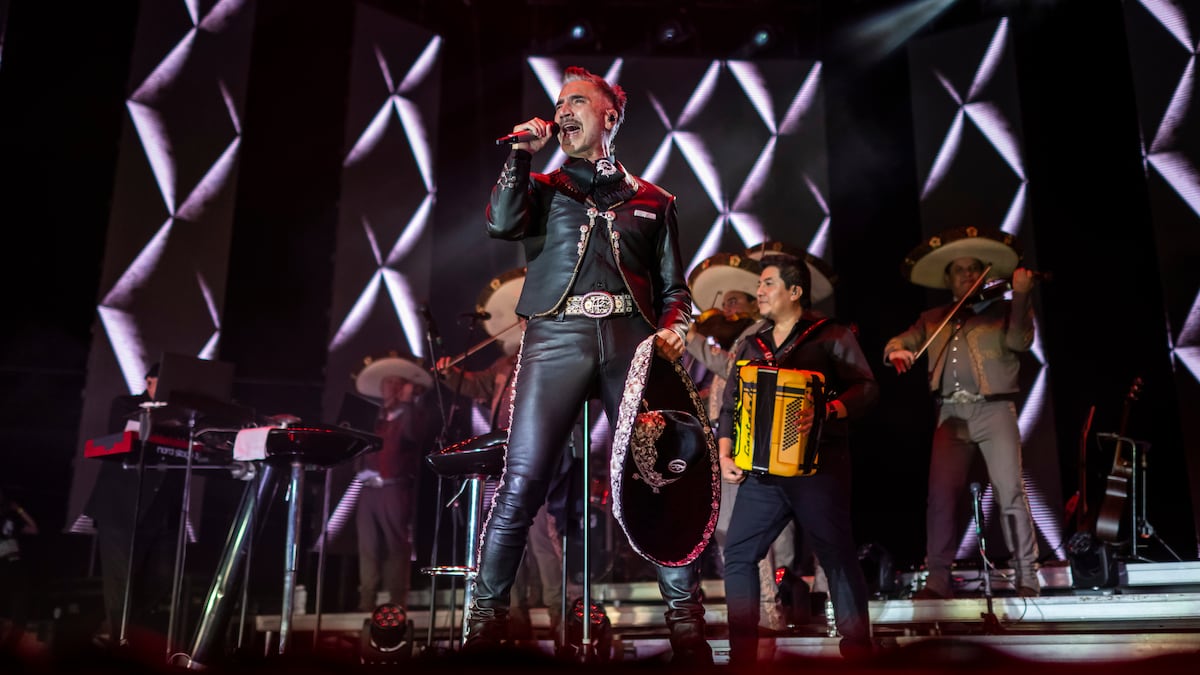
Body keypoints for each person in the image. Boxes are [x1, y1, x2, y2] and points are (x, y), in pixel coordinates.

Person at [466, 65, 716, 663]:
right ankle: (485, 622)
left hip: (631, 342)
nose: (562, 110)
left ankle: (687, 626)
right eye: (559, 103)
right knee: (521, 481)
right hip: (555, 337)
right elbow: (501, 223)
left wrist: (673, 328)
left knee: (657, 476)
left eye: (576, 101)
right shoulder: (543, 186)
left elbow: (675, 289)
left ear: (609, 115)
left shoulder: (655, 200)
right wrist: (520, 155)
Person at [718, 255, 878, 662]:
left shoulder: (830, 335)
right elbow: (731, 404)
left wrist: (828, 409)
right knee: (738, 554)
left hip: (818, 470)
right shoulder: (752, 344)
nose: (759, 291)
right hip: (763, 475)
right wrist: (724, 449)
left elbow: (866, 388)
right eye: (759, 284)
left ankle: (858, 653)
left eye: (768, 283)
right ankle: (742, 657)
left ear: (795, 291)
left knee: (837, 555)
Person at [883, 226, 1040, 599]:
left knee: (1010, 492)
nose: (968, 275)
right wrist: (896, 351)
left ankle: (1027, 576)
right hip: (951, 413)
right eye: (959, 270)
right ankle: (937, 579)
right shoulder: (932, 317)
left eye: (974, 269)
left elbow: (1020, 341)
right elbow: (900, 341)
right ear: (948, 279)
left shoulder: (1003, 309)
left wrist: (1021, 296)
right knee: (940, 497)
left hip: (994, 410)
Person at [435, 340, 577, 640]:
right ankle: (515, 623)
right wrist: (451, 373)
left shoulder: (551, 353)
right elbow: (477, 384)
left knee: (542, 537)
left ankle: (561, 618)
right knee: (509, 537)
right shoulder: (505, 364)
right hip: (507, 458)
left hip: (539, 455)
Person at [84, 363, 182, 646]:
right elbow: (120, 435)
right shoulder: (127, 405)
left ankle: (117, 628)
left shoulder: (182, 417)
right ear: (149, 381)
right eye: (163, 382)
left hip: (160, 511)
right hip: (120, 508)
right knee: (120, 581)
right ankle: (119, 641)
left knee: (162, 578)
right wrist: (157, 417)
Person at [351, 354, 434, 612]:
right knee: (367, 545)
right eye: (388, 383)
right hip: (369, 488)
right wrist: (360, 469)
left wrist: (408, 403)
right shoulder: (374, 416)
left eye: (397, 383)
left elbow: (412, 435)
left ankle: (396, 600)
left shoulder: (413, 415)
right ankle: (367, 599)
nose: (392, 388)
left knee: (396, 544)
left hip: (394, 487)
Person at [0, 487, 37, 650]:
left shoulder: (11, 520)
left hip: (16, 565)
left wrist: (20, 510)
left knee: (20, 604)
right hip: (2, 565)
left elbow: (34, 528)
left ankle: (11, 645)